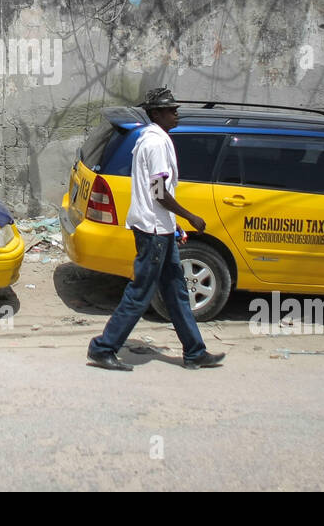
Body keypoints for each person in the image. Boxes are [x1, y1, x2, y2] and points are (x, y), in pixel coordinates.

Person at [87, 89, 226, 371]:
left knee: (176, 292)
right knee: (140, 293)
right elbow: (159, 192)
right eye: (170, 110)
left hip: (159, 229)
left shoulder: (150, 139)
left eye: (174, 108)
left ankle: (195, 351)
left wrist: (173, 226)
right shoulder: (156, 144)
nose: (176, 113)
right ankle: (104, 348)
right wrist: (190, 217)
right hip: (152, 233)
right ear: (155, 114)